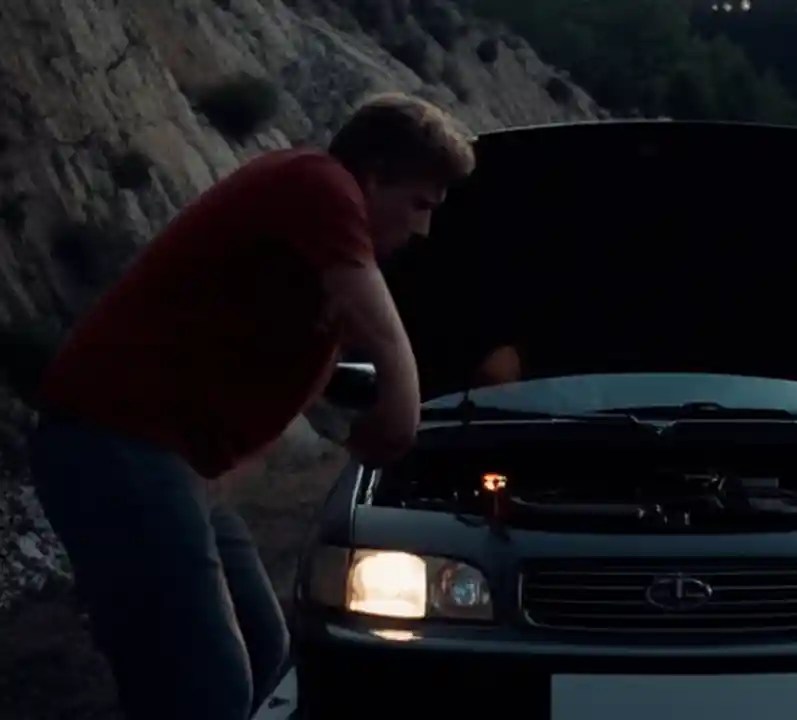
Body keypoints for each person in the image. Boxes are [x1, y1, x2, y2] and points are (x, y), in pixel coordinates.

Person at [27, 93, 518, 720]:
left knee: (265, 654)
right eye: (420, 204)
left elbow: (298, 373)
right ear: (374, 177)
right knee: (206, 687)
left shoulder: (316, 247)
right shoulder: (319, 185)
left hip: (171, 465)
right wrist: (400, 408)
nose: (423, 229)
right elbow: (389, 343)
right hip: (118, 442)